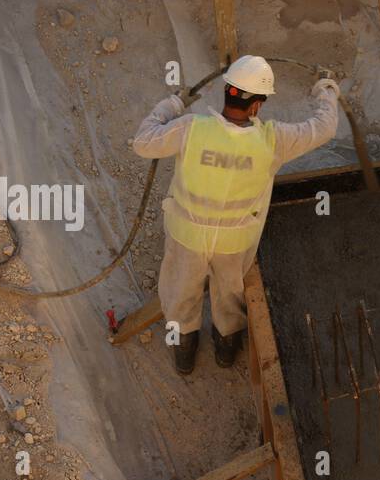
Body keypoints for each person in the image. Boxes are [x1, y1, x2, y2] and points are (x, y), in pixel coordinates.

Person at [133, 55, 339, 375]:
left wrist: (174, 103)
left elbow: (143, 143)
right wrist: (326, 88)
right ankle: (226, 349)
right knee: (229, 294)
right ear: (256, 106)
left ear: (227, 91)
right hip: (235, 241)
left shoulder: (191, 128)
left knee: (179, 290)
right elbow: (324, 128)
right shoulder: (274, 140)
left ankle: (184, 352)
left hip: (186, 235)